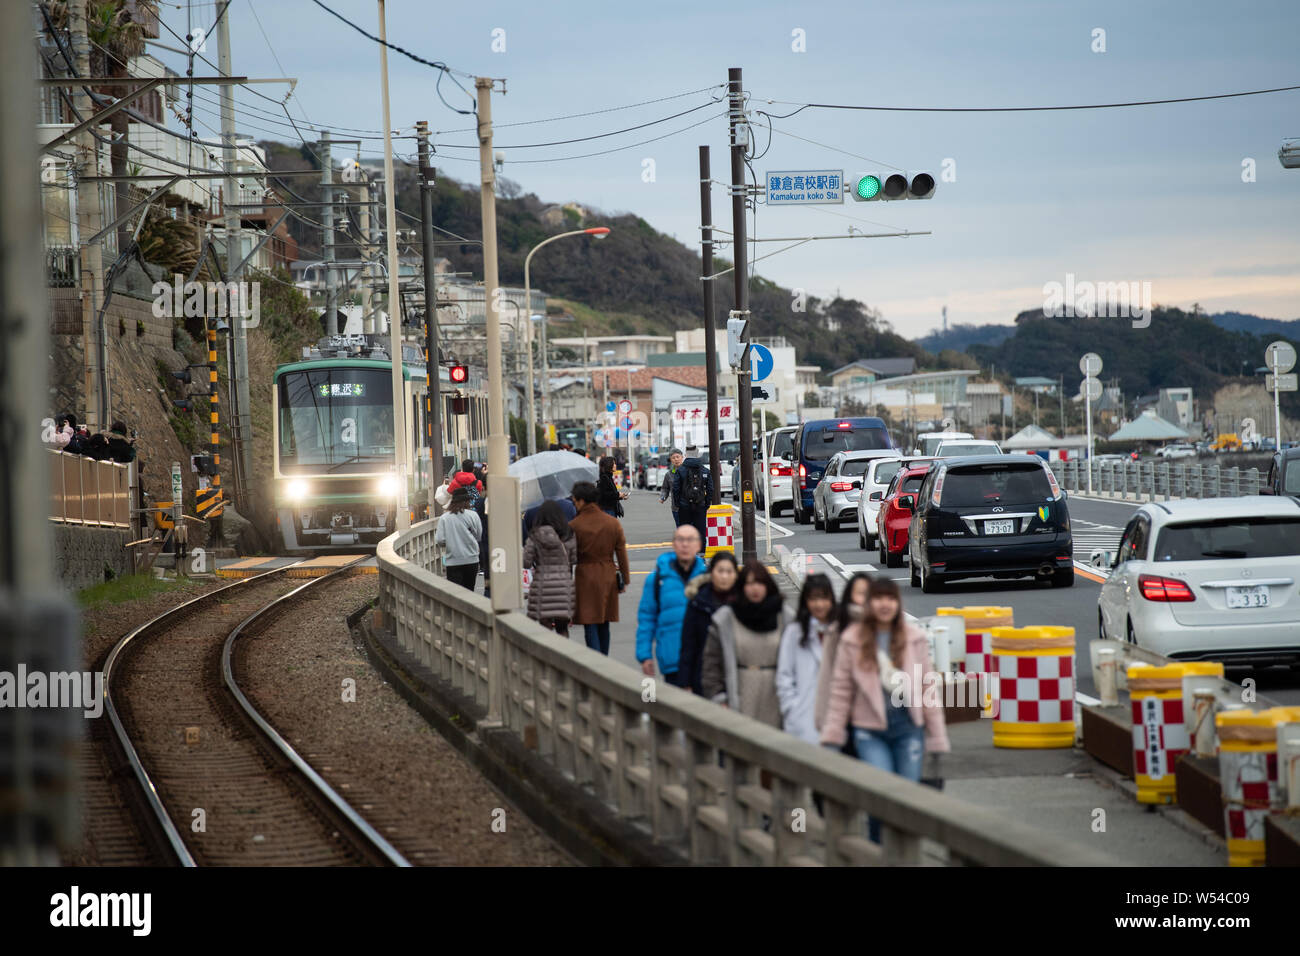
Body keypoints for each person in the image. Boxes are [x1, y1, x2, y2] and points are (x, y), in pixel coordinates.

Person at [819, 576, 950, 842]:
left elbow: (928, 688)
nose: (884, 604)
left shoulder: (914, 637)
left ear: (898, 602)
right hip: (870, 731)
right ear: (869, 604)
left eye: (890, 598)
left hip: (908, 729)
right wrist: (832, 736)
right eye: (878, 598)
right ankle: (879, 852)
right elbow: (841, 691)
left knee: (908, 799)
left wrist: (937, 735)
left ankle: (903, 856)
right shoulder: (851, 639)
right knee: (880, 798)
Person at [702, 560, 790, 727]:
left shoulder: (784, 616)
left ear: (768, 586)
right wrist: (719, 698)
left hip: (777, 694)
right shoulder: (726, 618)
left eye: (760, 583)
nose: (755, 588)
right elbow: (711, 665)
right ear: (741, 586)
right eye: (749, 583)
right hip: (739, 692)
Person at [635, 525, 707, 688]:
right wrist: (644, 655)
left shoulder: (707, 579)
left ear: (698, 545)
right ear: (673, 544)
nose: (685, 544)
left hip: (703, 659)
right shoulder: (656, 579)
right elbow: (646, 619)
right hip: (672, 657)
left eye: (690, 540)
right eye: (680, 539)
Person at [569, 480, 630, 655]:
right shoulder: (612, 523)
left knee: (590, 621)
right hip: (608, 574)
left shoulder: (574, 525)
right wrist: (625, 579)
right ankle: (605, 658)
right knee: (605, 620)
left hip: (584, 575)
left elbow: (569, 555)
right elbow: (621, 553)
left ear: (581, 500)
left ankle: (596, 661)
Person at [777, 574, 837, 745]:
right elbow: (784, 675)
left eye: (824, 598)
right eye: (813, 599)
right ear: (805, 602)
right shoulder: (795, 632)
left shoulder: (840, 631)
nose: (819, 605)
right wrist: (792, 708)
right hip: (802, 716)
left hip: (835, 716)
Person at [814, 571, 874, 739]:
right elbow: (826, 675)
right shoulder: (837, 630)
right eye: (861, 594)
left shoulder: (887, 628)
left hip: (882, 718)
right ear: (850, 596)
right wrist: (822, 718)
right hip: (846, 714)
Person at [680, 551, 738, 695]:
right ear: (711, 573)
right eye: (720, 571)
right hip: (703, 675)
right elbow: (688, 644)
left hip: (737, 677)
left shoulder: (744, 603)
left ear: (736, 575)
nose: (724, 576)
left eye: (729, 571)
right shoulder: (698, 602)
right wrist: (685, 682)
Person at [522, 500, 577, 634]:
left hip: (542, 584)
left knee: (544, 628)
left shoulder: (535, 536)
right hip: (564, 583)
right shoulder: (568, 534)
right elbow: (574, 559)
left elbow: (526, 562)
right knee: (562, 628)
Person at [434, 486, 483, 591]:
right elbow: (479, 536)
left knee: (456, 594)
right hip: (472, 560)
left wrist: (451, 541)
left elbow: (440, 540)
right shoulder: (473, 515)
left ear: (452, 502)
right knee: (469, 591)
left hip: (453, 561)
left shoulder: (444, 518)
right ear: (467, 501)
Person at [673, 445, 712, 544]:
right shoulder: (705, 470)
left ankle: (686, 554)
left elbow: (676, 489)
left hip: (684, 505)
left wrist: (678, 503)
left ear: (686, 454)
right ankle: (701, 554)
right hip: (700, 505)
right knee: (701, 531)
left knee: (685, 531)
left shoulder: (680, 470)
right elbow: (710, 489)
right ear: (697, 454)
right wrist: (707, 503)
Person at [659, 449, 684, 526]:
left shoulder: (689, 471)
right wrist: (663, 497)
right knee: (680, 527)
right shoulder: (669, 474)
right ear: (670, 460)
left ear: (682, 457)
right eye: (673, 458)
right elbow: (665, 488)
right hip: (676, 507)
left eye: (678, 457)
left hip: (690, 506)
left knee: (691, 528)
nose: (676, 459)